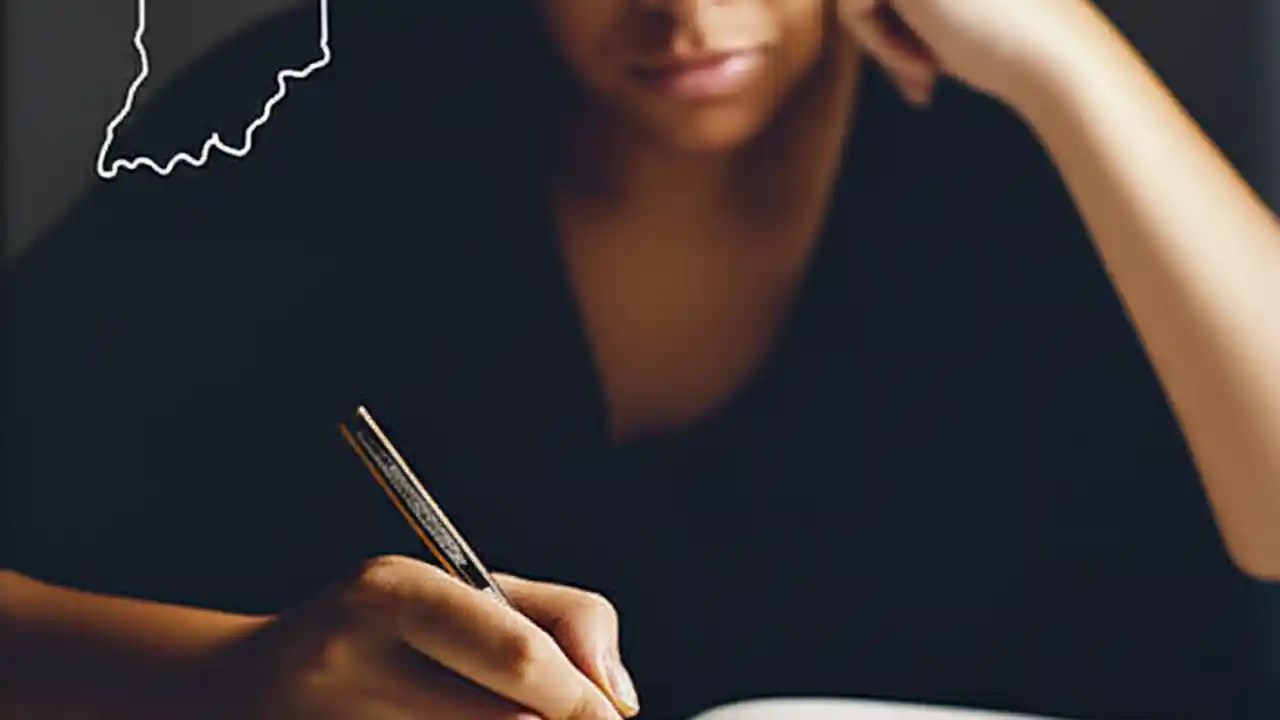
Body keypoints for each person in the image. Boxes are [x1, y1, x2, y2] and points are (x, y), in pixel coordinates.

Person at [3, 1, 1279, 718]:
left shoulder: (1003, 124)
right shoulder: (314, 122)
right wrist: (226, 678)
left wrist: (1067, 55)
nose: (685, 14)